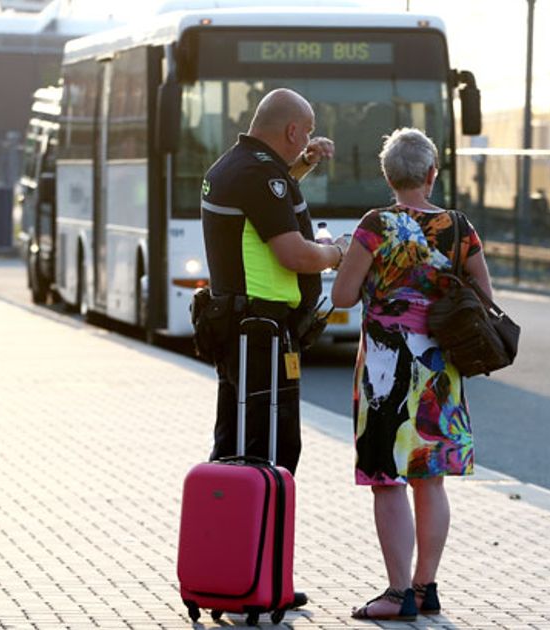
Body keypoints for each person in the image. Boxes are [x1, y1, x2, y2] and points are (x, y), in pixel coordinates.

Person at [331, 128, 492, 621]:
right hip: (440, 369)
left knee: (388, 479)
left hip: (386, 371)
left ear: (388, 177)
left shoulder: (374, 225)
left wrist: (353, 263)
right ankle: (426, 587)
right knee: (430, 479)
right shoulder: (458, 227)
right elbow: (485, 298)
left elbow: (342, 296)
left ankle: (397, 592)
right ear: (431, 174)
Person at [199, 88, 344, 608]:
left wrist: (300, 168)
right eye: (307, 132)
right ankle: (258, 578)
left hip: (245, 331)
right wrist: (336, 252)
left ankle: (235, 572)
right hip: (258, 333)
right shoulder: (261, 176)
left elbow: (263, 213)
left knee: (237, 447)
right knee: (269, 451)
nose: (309, 140)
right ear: (292, 130)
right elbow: (293, 253)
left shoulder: (237, 165)